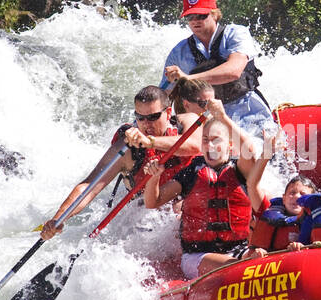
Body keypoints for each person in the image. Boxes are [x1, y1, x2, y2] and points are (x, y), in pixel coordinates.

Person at [38, 86, 202, 241]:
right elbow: (89, 186)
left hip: (187, 201)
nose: (146, 124)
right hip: (147, 215)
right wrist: (58, 219)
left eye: (153, 117)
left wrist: (150, 142)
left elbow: (194, 146)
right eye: (140, 118)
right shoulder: (126, 149)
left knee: (182, 208)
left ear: (167, 113)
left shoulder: (187, 123)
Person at [143, 98, 263, 279]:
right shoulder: (192, 171)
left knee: (256, 257)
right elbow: (153, 202)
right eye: (205, 140)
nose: (210, 145)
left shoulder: (240, 170)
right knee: (239, 266)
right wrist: (154, 177)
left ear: (230, 145)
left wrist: (222, 117)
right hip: (197, 256)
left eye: (216, 140)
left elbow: (250, 151)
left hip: (239, 251)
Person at [159, 0, 273, 137]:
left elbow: (233, 71)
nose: (195, 21)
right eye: (190, 16)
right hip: (207, 121)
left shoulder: (236, 33)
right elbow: (164, 94)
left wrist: (188, 78)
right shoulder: (179, 52)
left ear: (214, 14)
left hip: (248, 112)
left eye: (200, 15)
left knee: (262, 151)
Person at [244, 174, 317, 256]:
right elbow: (252, 185)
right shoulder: (269, 217)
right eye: (292, 193)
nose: (296, 197)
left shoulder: (317, 221)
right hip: (271, 263)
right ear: (284, 199)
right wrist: (258, 253)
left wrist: (305, 248)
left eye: (303, 194)